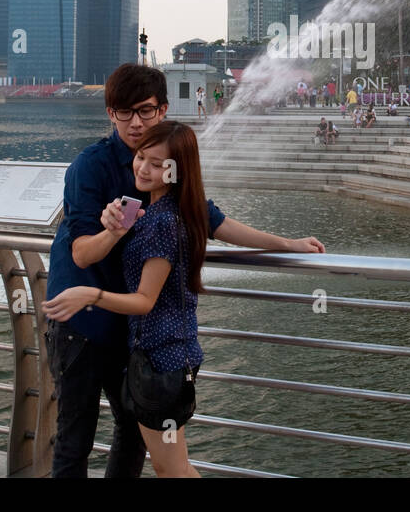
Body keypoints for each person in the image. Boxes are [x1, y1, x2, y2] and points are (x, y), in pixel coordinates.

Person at [42, 64, 325, 478]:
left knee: (134, 434)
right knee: (75, 438)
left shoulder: (168, 164)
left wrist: (288, 244)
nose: (135, 123)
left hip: (133, 330)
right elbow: (83, 254)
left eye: (145, 110)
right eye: (124, 112)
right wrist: (114, 231)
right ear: (110, 113)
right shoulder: (91, 167)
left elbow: (213, 221)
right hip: (81, 324)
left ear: (163, 110)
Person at [44, 121, 207, 477]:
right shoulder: (161, 211)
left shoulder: (162, 223)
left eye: (156, 163)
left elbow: (145, 301)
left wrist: (92, 294)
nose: (142, 168)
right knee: (170, 465)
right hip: (168, 356)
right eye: (140, 157)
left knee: (173, 469)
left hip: (161, 363)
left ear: (177, 170)